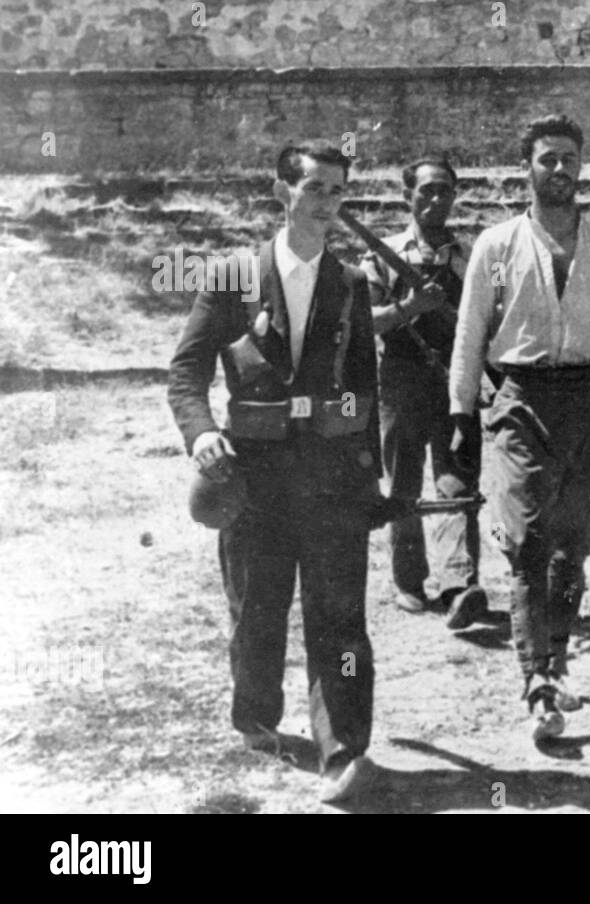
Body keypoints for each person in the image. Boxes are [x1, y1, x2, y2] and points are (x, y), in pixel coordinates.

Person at [168, 140, 380, 802]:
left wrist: (369, 478)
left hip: (329, 478)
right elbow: (186, 371)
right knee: (256, 608)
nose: (326, 203)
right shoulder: (233, 276)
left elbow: (366, 387)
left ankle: (343, 746)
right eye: (314, 189)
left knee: (338, 616)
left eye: (337, 192)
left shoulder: (349, 285)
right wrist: (202, 434)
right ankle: (257, 717)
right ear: (282, 193)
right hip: (253, 476)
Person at [448, 115, 590, 742]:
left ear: (582, 166)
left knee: (576, 540)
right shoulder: (496, 247)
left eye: (570, 159)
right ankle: (536, 682)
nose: (560, 170)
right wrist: (462, 414)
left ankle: (560, 657)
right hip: (522, 400)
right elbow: (470, 337)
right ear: (528, 167)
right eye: (548, 160)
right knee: (527, 540)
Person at [362, 154, 487, 628]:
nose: (437, 200)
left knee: (457, 479)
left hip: (456, 380)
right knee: (405, 482)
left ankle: (459, 585)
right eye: (426, 190)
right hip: (400, 380)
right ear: (407, 197)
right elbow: (364, 320)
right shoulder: (380, 255)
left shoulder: (472, 257)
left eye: (445, 191)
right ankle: (408, 581)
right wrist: (411, 308)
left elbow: (492, 312)